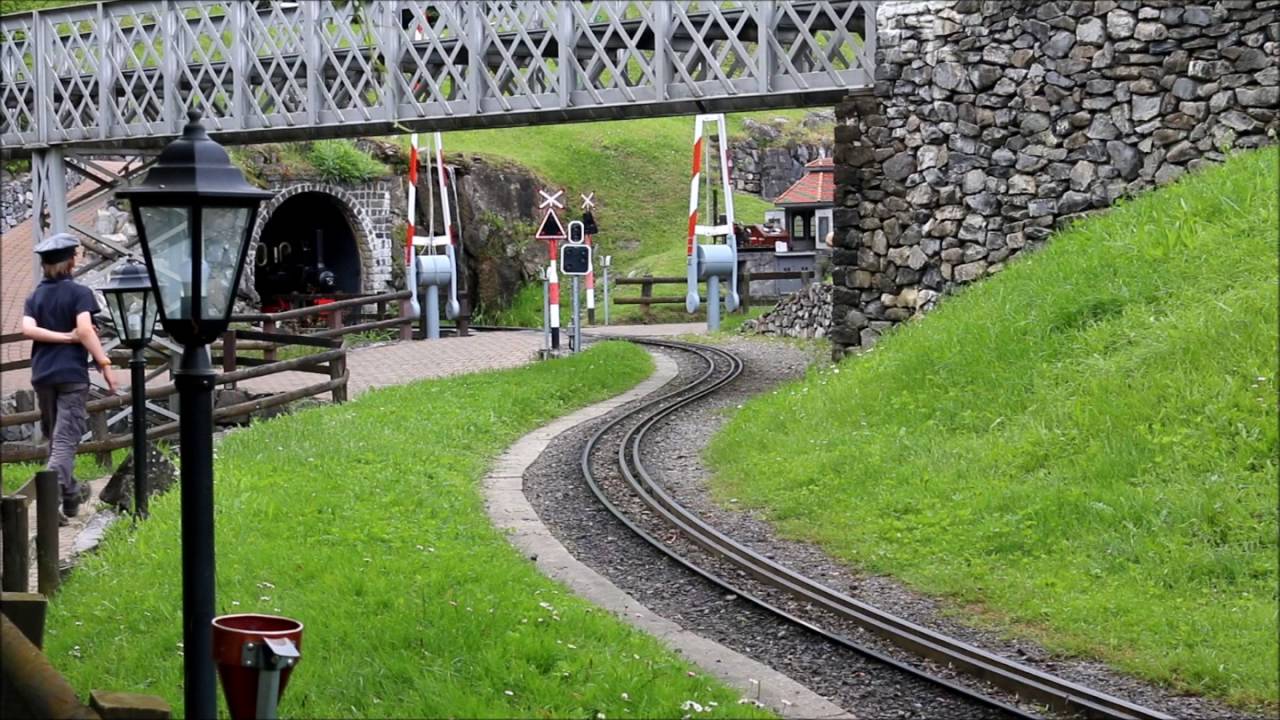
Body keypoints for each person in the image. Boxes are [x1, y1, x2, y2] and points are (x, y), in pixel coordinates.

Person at [21, 232, 117, 522]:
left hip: (43, 375)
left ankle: (71, 493)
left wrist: (61, 337)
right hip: (71, 376)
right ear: (71, 261)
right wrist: (105, 364)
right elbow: (85, 330)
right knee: (65, 440)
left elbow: (28, 329)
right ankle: (50, 500)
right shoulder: (79, 293)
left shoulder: (35, 296)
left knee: (55, 438)